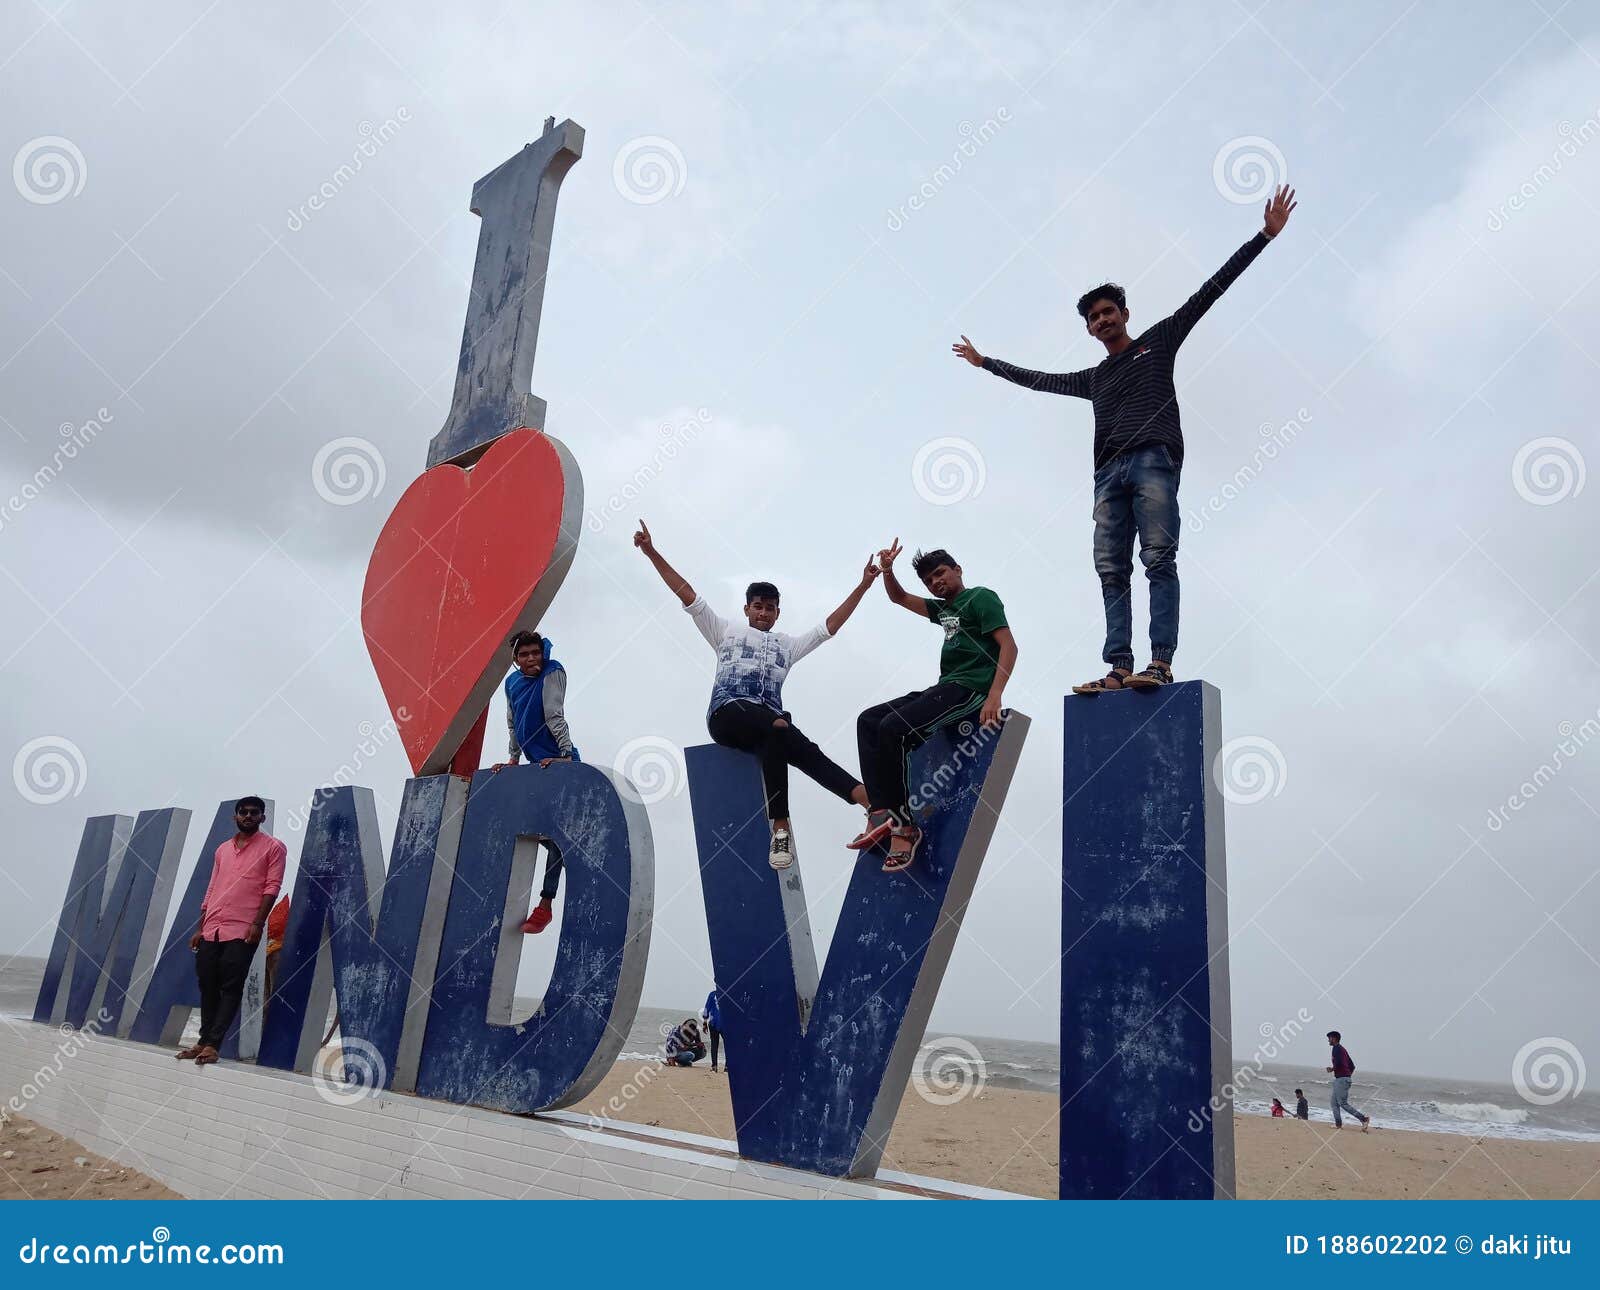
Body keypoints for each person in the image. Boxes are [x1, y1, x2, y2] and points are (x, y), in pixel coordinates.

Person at [953, 184, 1298, 694]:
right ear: (1090, 331)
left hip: (1153, 461)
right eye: (1093, 318)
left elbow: (1211, 290)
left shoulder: (1158, 342)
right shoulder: (1093, 378)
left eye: (1108, 311)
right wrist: (987, 364)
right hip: (1106, 476)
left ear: (1124, 314)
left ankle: (1159, 662)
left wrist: (1263, 236)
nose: (1102, 320)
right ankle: (1118, 667)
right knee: (1111, 572)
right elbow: (1040, 380)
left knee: (1158, 558)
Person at [634, 519, 877, 870]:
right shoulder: (724, 631)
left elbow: (829, 628)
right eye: (758, 607)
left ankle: (870, 801)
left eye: (770, 608)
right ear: (747, 609)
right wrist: (651, 552)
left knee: (802, 750)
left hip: (769, 728)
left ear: (778, 613)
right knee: (779, 726)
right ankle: (781, 825)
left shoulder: (788, 646)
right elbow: (687, 594)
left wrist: (865, 583)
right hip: (728, 715)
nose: (763, 613)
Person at [851, 541, 1017, 872]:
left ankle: (905, 827)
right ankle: (881, 810)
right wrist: (887, 570)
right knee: (869, 720)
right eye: (928, 581)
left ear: (957, 569)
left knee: (894, 729)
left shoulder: (980, 597)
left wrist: (995, 695)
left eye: (940, 573)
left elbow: (1009, 646)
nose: (935, 582)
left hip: (970, 689)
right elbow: (898, 598)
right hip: (944, 686)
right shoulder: (944, 611)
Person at [178, 796, 286, 1066]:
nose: (248, 816)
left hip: (243, 928)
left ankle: (213, 1045)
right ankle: (203, 1041)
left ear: (262, 817)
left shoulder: (273, 848)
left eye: (254, 813)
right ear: (235, 816)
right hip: (212, 927)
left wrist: (258, 924)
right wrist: (201, 928)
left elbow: (271, 887)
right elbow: (212, 889)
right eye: (243, 812)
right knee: (207, 983)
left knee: (231, 985)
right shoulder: (222, 850)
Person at [491, 630, 579, 934]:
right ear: (516, 659)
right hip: (534, 767)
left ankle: (545, 906)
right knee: (544, 834)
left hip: (559, 762)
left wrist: (565, 755)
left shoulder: (553, 671)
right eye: (524, 655)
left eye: (535, 653)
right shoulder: (512, 683)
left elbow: (554, 713)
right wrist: (513, 759)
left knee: (557, 840)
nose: (532, 659)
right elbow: (513, 722)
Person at [1326, 1030, 1372, 1132]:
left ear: (1334, 1038)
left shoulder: (1336, 1048)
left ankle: (1364, 1119)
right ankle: (1338, 1124)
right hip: (1342, 1079)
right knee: (1334, 1103)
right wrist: (1347, 1077)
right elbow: (1352, 1066)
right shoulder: (1343, 1050)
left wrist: (1333, 1069)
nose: (1328, 1040)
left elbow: (1339, 1062)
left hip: (1341, 1080)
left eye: (1329, 1038)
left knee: (1342, 1103)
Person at [263, 894, 289, 1001]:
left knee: (267, 995)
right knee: (275, 992)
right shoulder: (278, 951)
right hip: (274, 955)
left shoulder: (268, 947)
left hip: (269, 954)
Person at [702, 987, 725, 1074]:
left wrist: (704, 1022)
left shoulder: (712, 994)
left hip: (713, 1023)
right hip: (726, 1024)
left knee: (714, 1045)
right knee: (728, 1045)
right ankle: (727, 1067)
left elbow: (706, 1008)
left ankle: (714, 1066)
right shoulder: (730, 995)